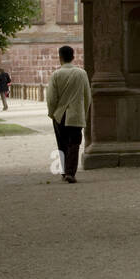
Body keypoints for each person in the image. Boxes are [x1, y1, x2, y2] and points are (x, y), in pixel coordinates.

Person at [46, 45, 91, 183]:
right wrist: (83, 111)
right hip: (76, 114)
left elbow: (51, 97)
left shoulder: (56, 74)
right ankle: (71, 172)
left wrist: (52, 113)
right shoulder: (81, 73)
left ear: (60, 57)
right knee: (74, 143)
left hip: (60, 114)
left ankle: (64, 171)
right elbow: (87, 95)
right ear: (73, 57)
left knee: (62, 143)